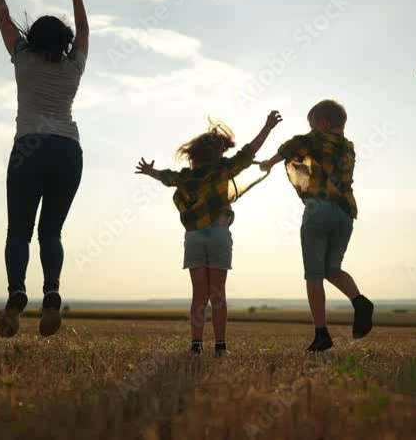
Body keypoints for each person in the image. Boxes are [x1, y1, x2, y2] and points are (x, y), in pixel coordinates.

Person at [0, 0, 90, 338]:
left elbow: (2, 17)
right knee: (52, 232)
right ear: (63, 43)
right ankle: (51, 292)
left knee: (19, 231)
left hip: (29, 147)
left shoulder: (22, 59)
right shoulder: (73, 67)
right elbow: (84, 31)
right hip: (67, 151)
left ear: (32, 38)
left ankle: (17, 293)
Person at [135, 111, 283, 357]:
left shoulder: (188, 177)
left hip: (193, 237)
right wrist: (267, 127)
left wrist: (150, 172)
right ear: (218, 152)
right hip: (218, 234)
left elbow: (167, 177)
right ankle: (221, 348)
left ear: (193, 155)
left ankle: (195, 347)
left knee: (199, 296)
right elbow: (249, 152)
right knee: (218, 294)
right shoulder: (224, 169)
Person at [259, 100, 374, 352]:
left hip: (318, 209)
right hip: (345, 212)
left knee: (313, 274)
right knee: (332, 269)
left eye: (312, 124)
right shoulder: (349, 147)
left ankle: (322, 334)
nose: (310, 128)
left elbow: (290, 147)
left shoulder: (314, 139)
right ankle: (360, 301)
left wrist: (269, 161)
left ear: (323, 123)